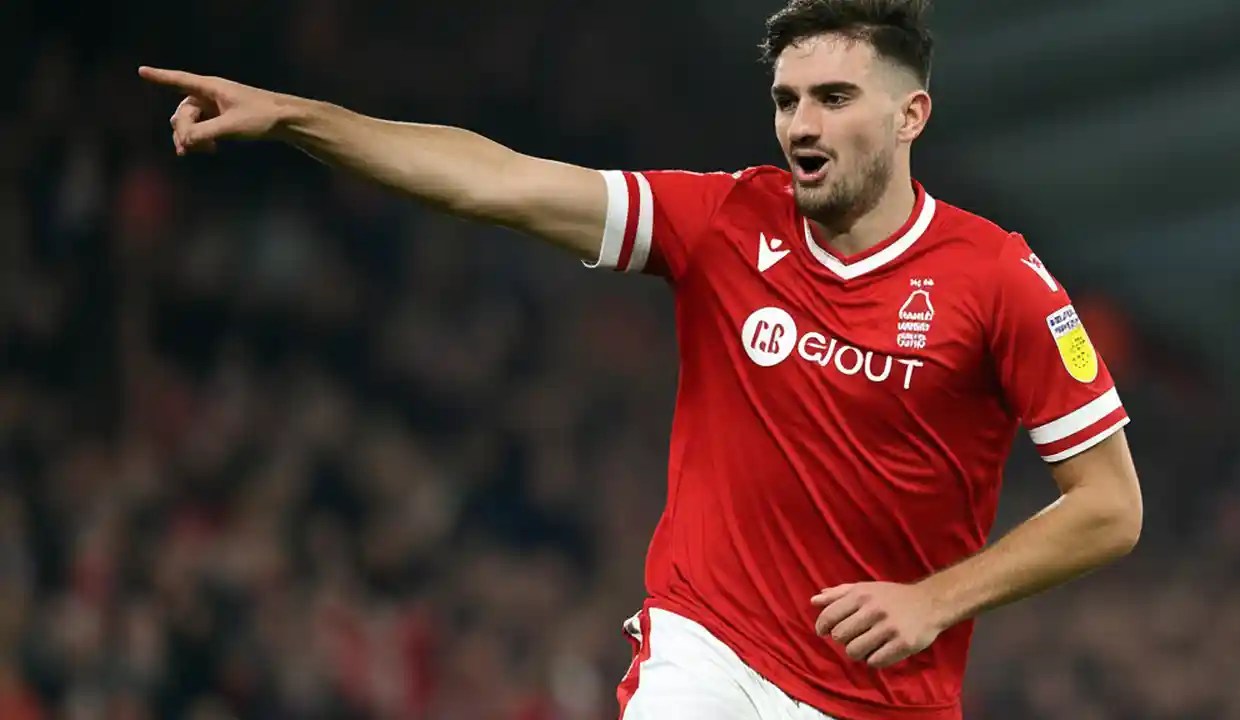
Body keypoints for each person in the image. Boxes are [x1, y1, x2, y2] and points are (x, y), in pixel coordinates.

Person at [139, 0, 1144, 718]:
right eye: (787, 98)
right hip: (707, 653)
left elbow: (1109, 506)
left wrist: (934, 599)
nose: (801, 124)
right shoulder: (721, 220)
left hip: (883, 700)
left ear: (909, 115)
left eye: (834, 97)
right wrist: (297, 116)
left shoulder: (998, 278)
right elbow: (497, 182)